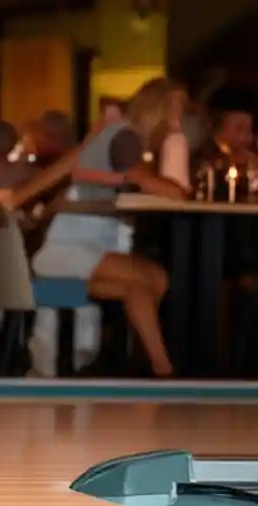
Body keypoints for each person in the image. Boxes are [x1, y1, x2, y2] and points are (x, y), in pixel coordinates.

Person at [31, 77, 188, 378]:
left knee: (149, 281)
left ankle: (152, 367)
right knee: (150, 279)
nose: (177, 123)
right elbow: (171, 192)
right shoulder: (122, 139)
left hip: (81, 248)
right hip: (67, 250)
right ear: (159, 111)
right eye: (175, 113)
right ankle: (159, 369)